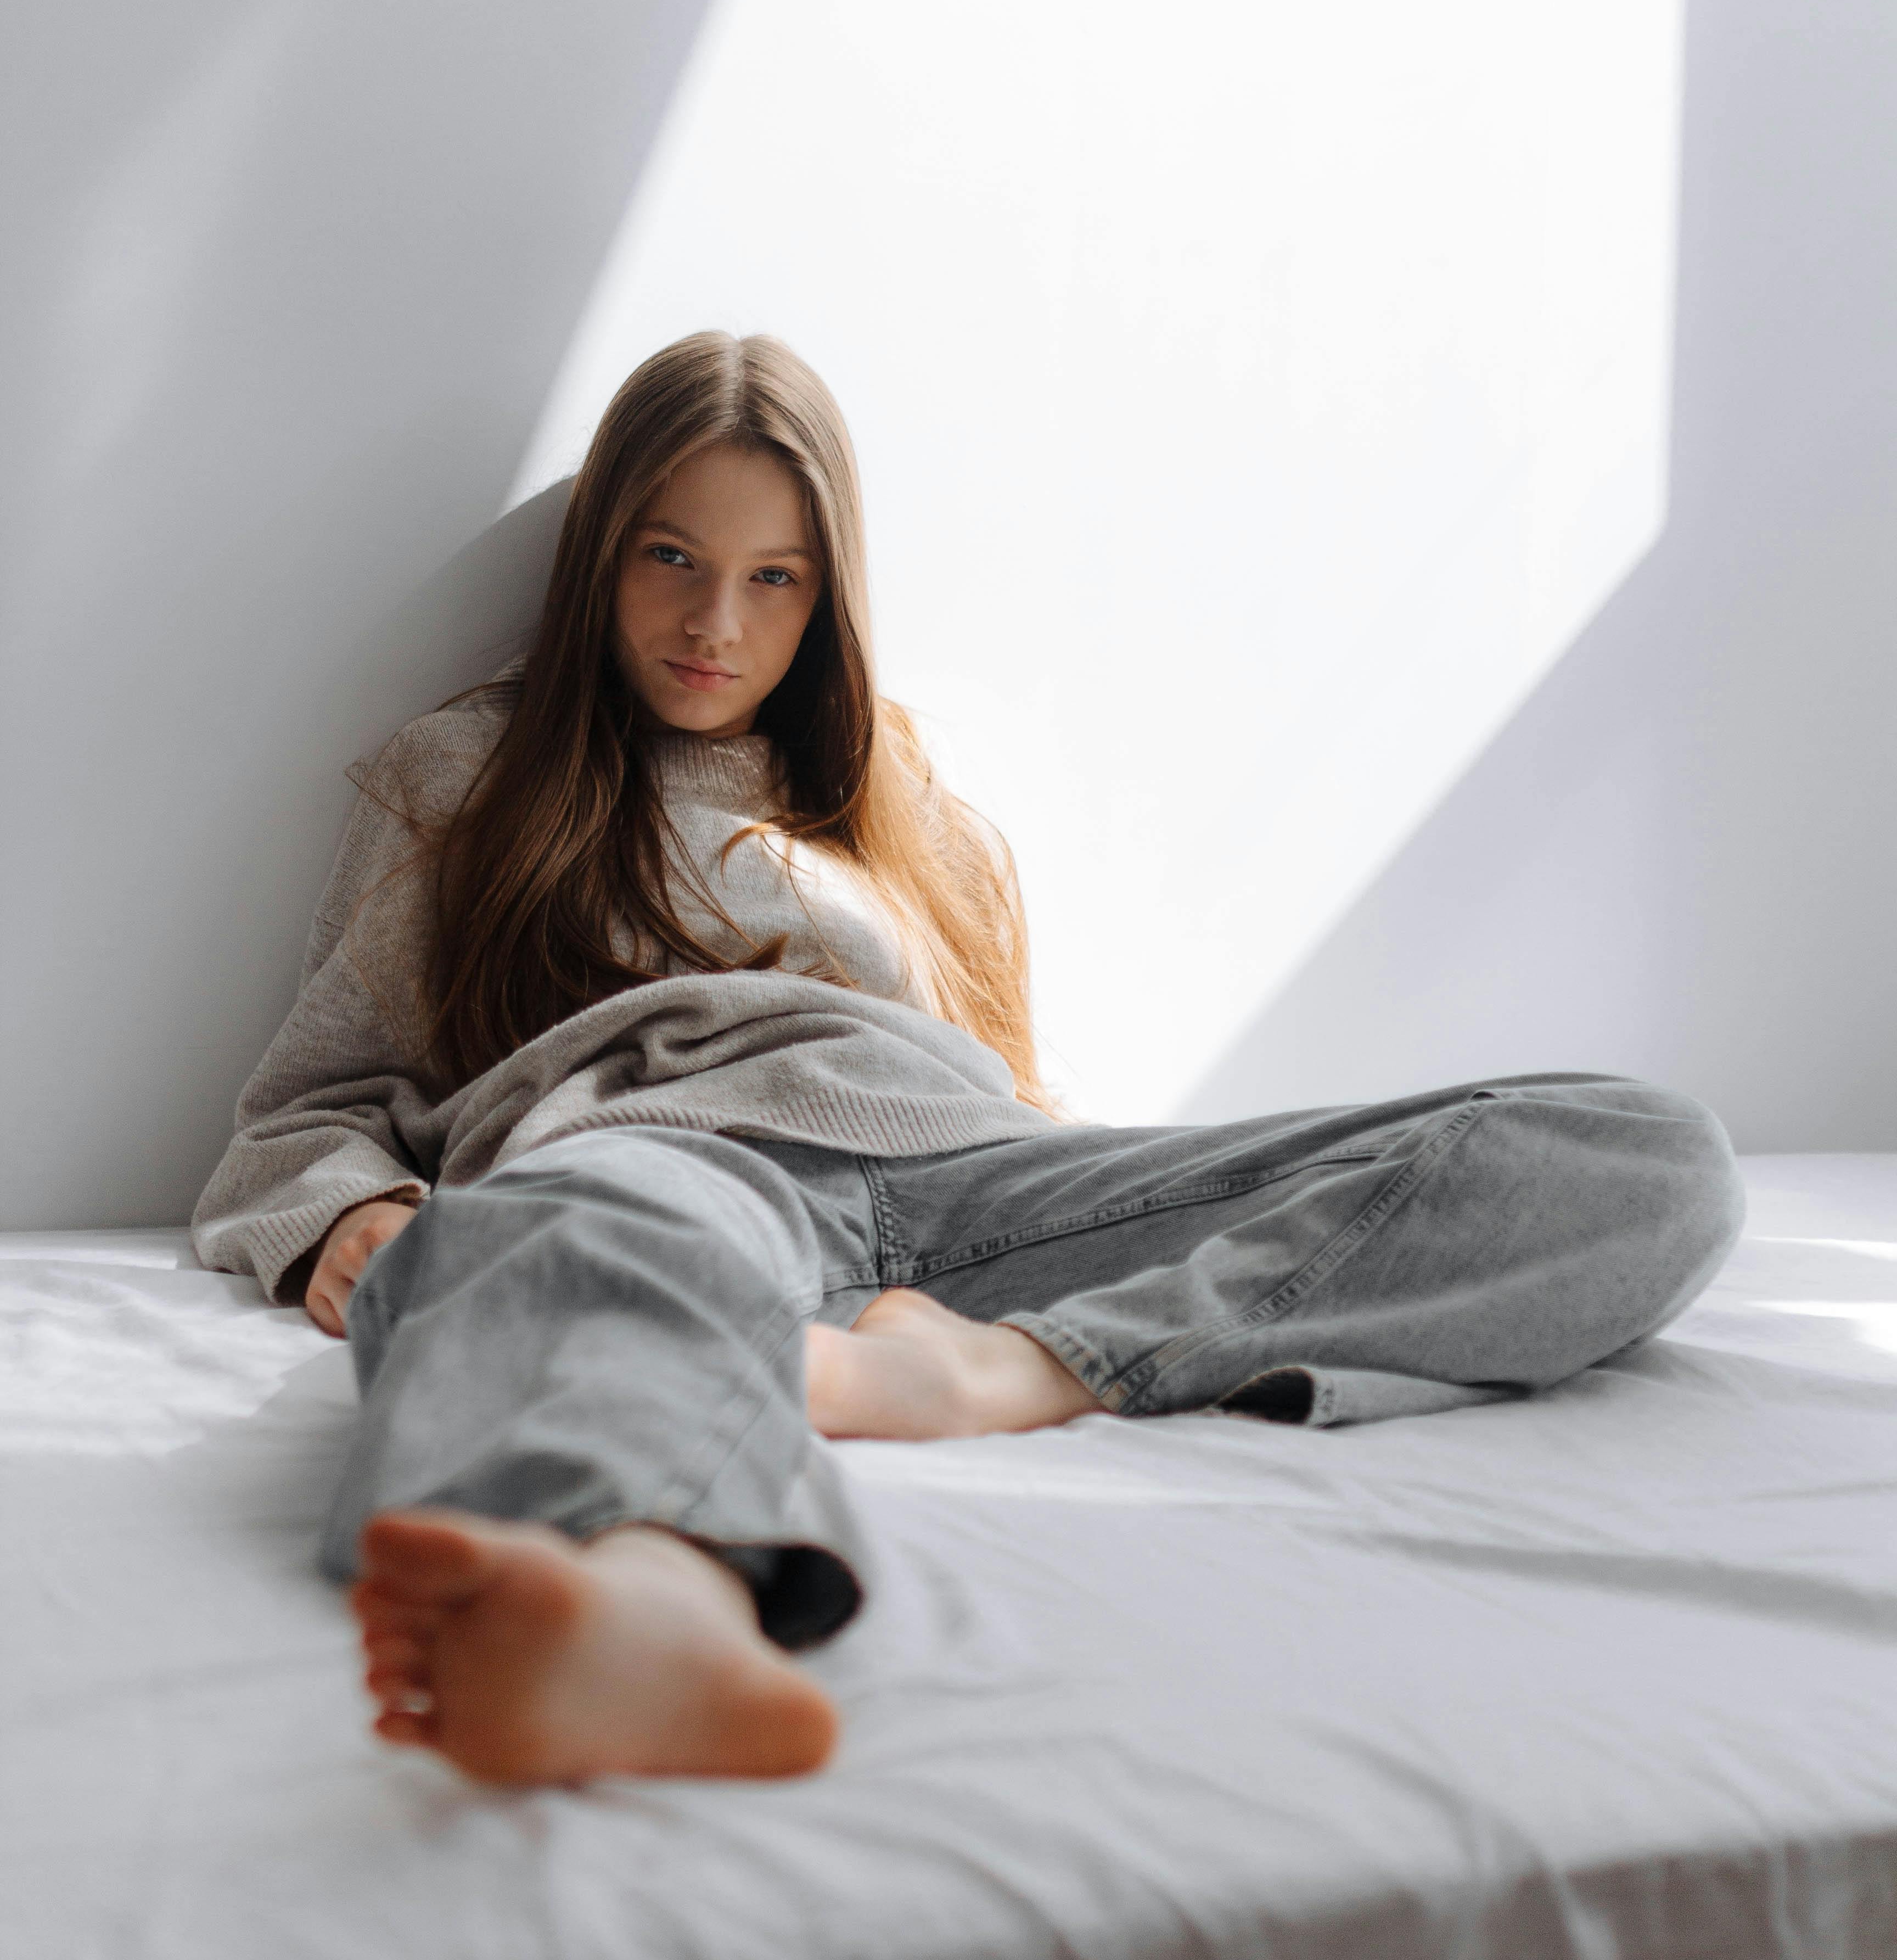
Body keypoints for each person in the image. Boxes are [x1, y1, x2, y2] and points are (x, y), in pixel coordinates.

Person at [194, 332, 1746, 1791]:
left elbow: (1004, 1078)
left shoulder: (907, 812)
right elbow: (309, 1104)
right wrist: (349, 1220)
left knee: (1639, 1151)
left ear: (826, 599)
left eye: (772, 578)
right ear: (601, 552)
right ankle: (653, 1598)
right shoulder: (466, 777)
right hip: (667, 1154)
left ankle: (1002, 1374)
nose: (712, 624)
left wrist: (1025, 1304)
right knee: (542, 1231)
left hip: (971, 1174)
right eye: (670, 557)